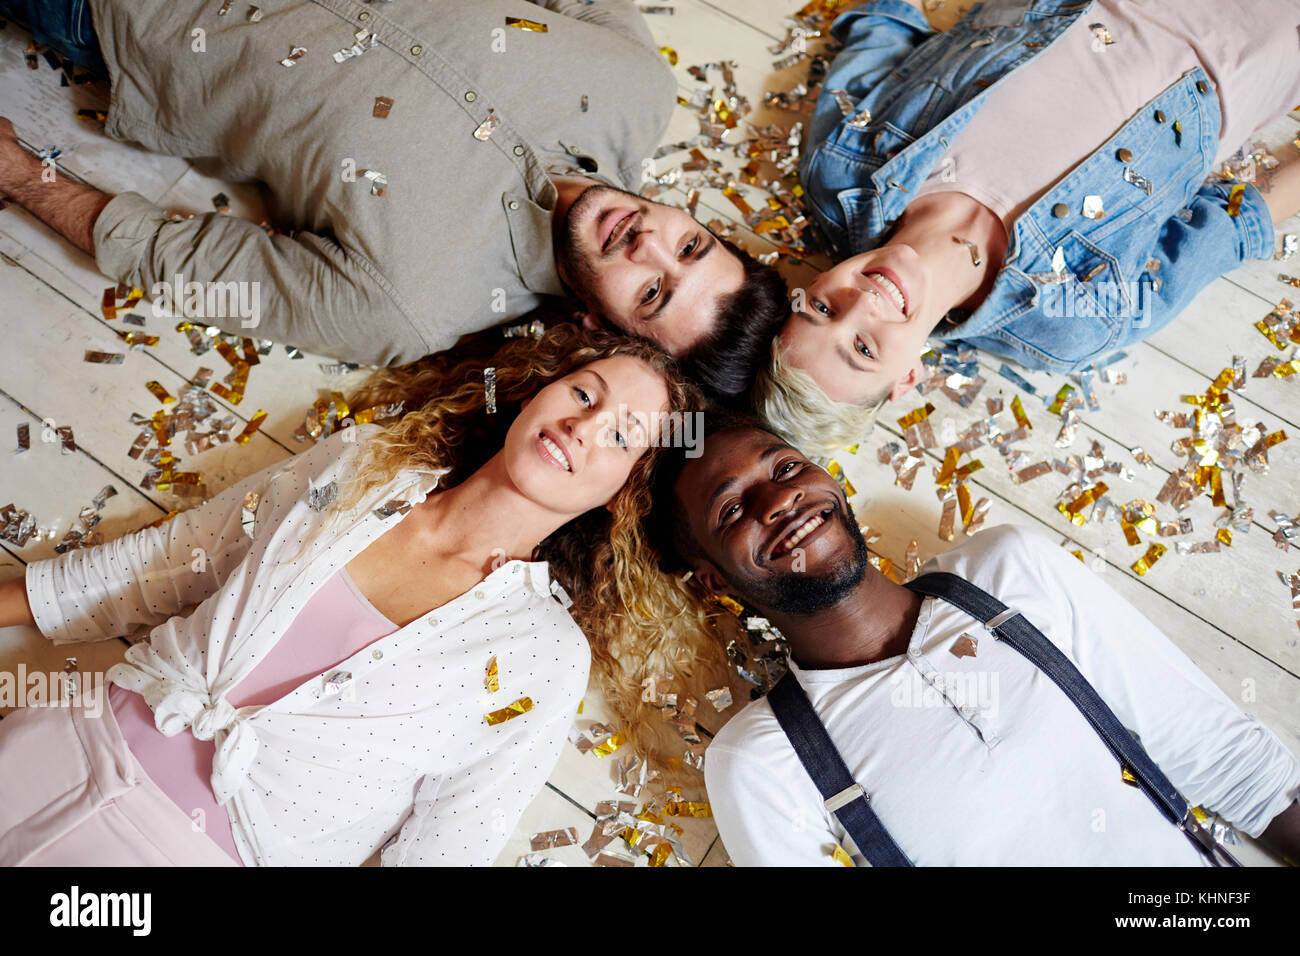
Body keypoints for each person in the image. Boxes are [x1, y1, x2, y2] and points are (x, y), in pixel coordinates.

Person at [0, 323, 701, 866]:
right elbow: (162, 566)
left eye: (619, 435)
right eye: (583, 392)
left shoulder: (542, 656)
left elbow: (445, 850)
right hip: (63, 746)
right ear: (537, 388)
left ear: (625, 494)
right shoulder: (363, 465)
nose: (583, 425)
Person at [0, 0, 789, 398]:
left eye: (653, 292)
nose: (646, 244)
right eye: (691, 247)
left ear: (603, 327)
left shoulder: (408, 304)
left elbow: (168, 257)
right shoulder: (637, 89)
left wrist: (12, 169)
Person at [649, 417, 1300, 865]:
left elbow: (1222, 756)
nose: (780, 500)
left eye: (786, 466)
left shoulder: (1008, 570)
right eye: (731, 509)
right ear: (712, 582)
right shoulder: (763, 761)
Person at [753, 0, 1300, 456]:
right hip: (1253, 40)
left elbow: (885, 22)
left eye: (822, 310)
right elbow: (1232, 223)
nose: (862, 302)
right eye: (865, 349)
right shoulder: (1071, 322)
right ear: (907, 380)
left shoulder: (841, 170)